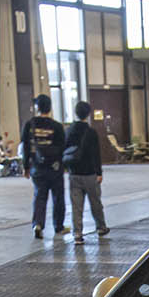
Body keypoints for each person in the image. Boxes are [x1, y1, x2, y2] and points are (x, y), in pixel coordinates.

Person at [62, 100, 108, 243]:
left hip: (74, 173)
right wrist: (99, 172)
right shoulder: (91, 132)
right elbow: (96, 154)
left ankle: (77, 234)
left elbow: (64, 151)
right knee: (95, 203)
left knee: (76, 206)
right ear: (88, 114)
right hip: (89, 173)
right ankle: (101, 227)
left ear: (75, 113)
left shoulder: (68, 131)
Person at [21, 94, 67, 238]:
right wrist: (62, 165)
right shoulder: (57, 126)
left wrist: (26, 166)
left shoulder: (30, 125)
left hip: (37, 167)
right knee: (58, 197)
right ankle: (58, 226)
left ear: (37, 108)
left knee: (39, 196)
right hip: (55, 168)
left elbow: (25, 147)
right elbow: (63, 148)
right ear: (50, 108)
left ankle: (38, 224)